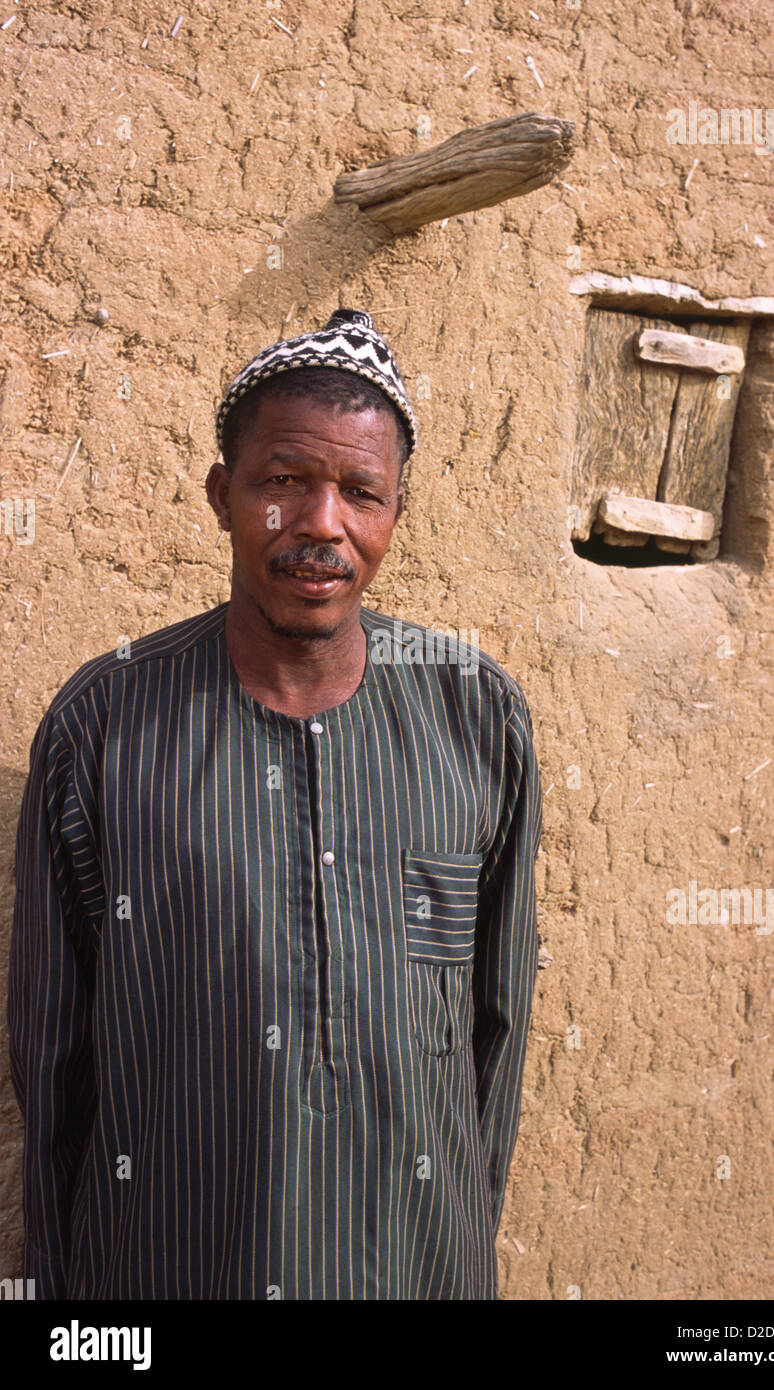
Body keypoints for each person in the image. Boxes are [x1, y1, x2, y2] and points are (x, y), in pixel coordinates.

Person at [7, 308, 542, 1299]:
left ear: (392, 514)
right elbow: (54, 1062)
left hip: (413, 1269)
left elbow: (492, 1037)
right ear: (222, 494)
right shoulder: (104, 724)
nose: (322, 524)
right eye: (285, 481)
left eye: (360, 493)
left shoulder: (475, 716)